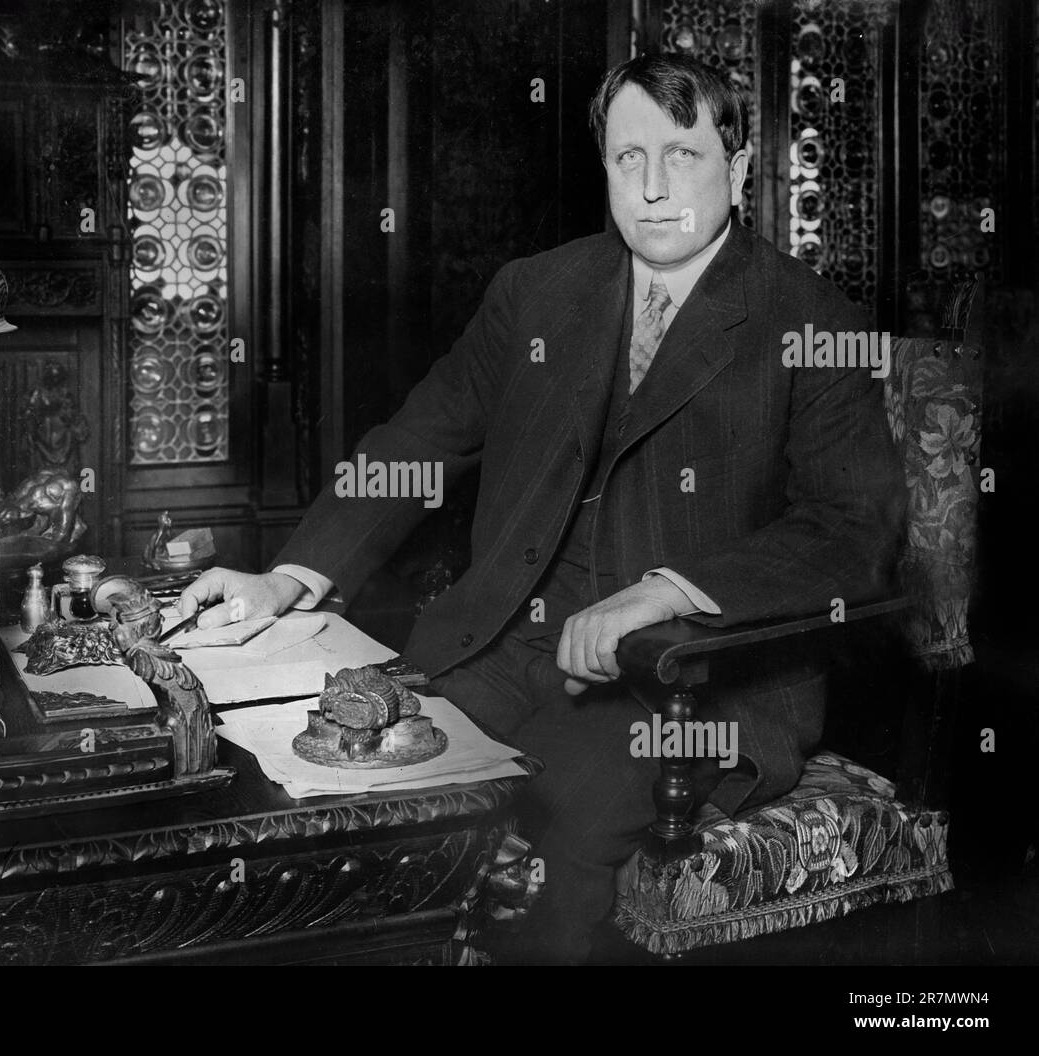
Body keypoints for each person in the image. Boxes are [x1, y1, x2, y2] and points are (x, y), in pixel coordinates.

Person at [178, 54, 905, 962]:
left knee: (552, 836)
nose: (651, 188)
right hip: (500, 642)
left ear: (741, 165)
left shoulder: (811, 321)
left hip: (682, 684)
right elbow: (419, 443)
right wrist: (291, 576)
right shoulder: (538, 291)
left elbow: (855, 529)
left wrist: (670, 591)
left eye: (682, 156)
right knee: (363, 801)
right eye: (626, 157)